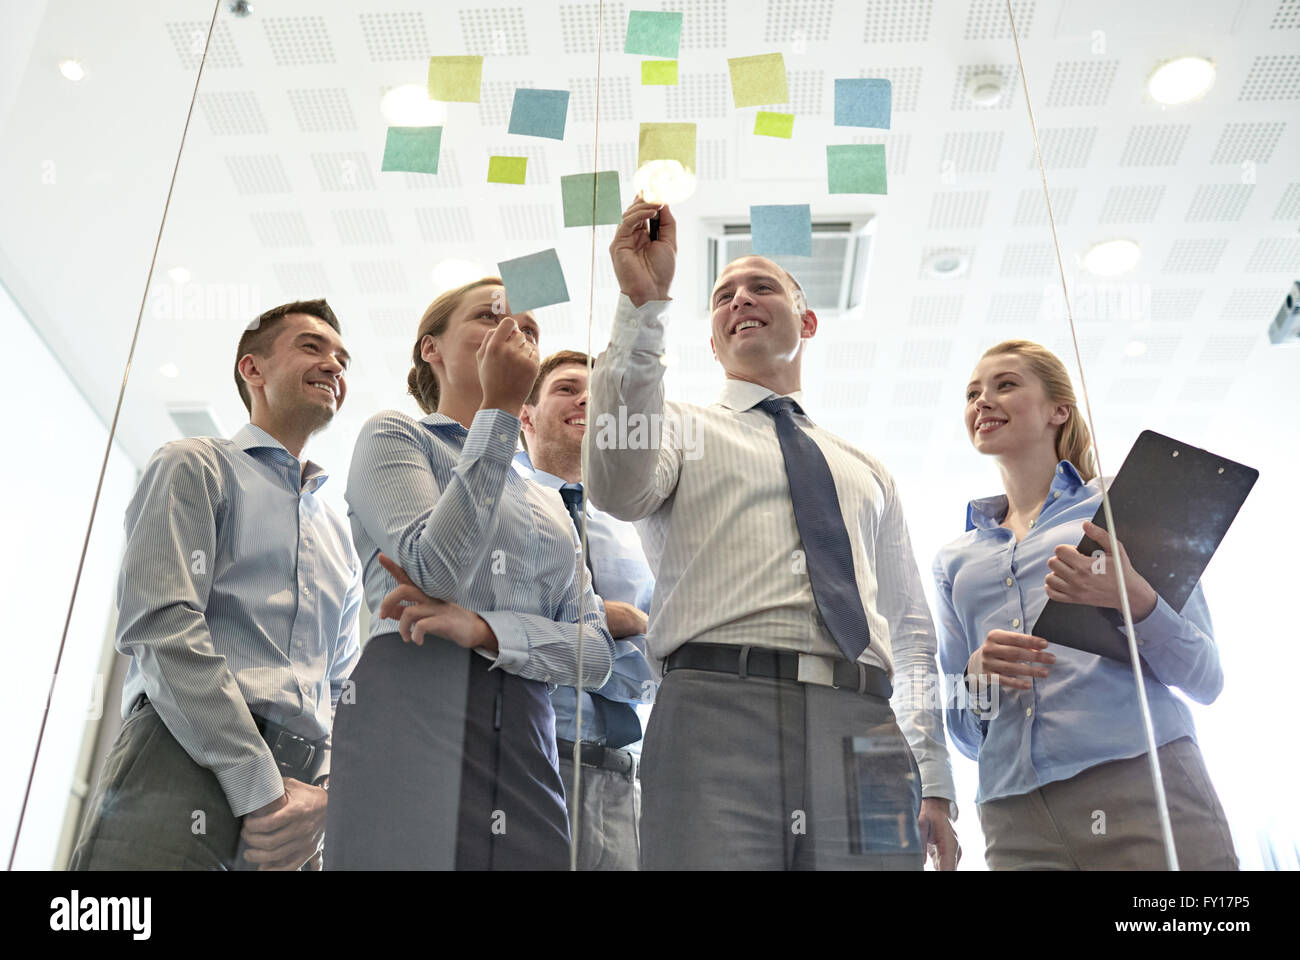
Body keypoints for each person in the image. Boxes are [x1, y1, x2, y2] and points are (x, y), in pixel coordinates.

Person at [585, 198, 959, 870]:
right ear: (712, 338)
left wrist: (932, 777)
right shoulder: (675, 423)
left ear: (807, 320)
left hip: (867, 727)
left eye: (762, 287)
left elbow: (910, 628)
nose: (740, 299)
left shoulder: (869, 471)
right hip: (716, 713)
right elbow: (615, 487)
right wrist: (643, 306)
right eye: (724, 294)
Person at [326, 278, 615, 870]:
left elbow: (597, 654)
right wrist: (500, 411)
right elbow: (433, 569)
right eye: (492, 317)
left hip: (528, 734)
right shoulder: (395, 435)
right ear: (431, 348)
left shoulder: (549, 506)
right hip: (411, 701)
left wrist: (484, 629)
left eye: (529, 330)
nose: (514, 334)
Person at [70, 299, 362, 871]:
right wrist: (262, 786)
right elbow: (162, 627)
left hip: (296, 808)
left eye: (342, 358)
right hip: (182, 766)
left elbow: (342, 686)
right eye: (312, 347)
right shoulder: (195, 465)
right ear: (251, 369)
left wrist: (325, 802)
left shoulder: (340, 535)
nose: (334, 365)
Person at [933, 339, 1237, 870]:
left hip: (1142, 779)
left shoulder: (1120, 504)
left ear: (1059, 410)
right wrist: (976, 676)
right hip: (1014, 814)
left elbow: (1205, 678)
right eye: (972, 393)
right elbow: (964, 736)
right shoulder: (954, 562)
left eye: (1005, 384)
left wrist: (1136, 602)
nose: (982, 401)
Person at [515, 348, 656, 870]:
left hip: (624, 782)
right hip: (530, 767)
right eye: (566, 388)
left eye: (595, 393)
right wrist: (608, 623)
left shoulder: (636, 530)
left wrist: (579, 637)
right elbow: (505, 636)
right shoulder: (498, 508)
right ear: (525, 416)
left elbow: (655, 661)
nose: (585, 399)